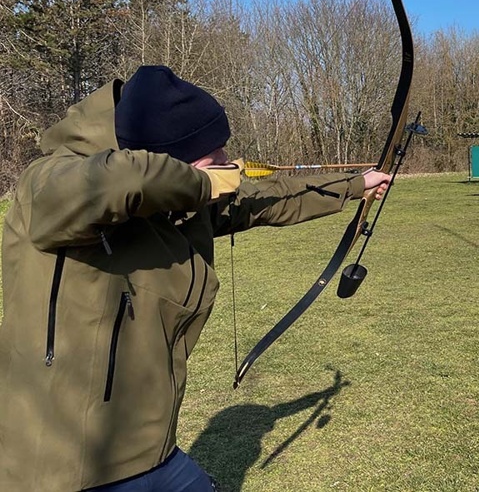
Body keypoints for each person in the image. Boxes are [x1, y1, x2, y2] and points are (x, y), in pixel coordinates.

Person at [0, 65, 390, 491]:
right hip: (60, 463)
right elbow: (118, 181)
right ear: (168, 157)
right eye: (213, 154)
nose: (226, 162)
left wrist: (356, 185)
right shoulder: (50, 182)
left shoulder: (182, 205)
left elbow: (267, 197)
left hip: (149, 451)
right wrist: (201, 181)